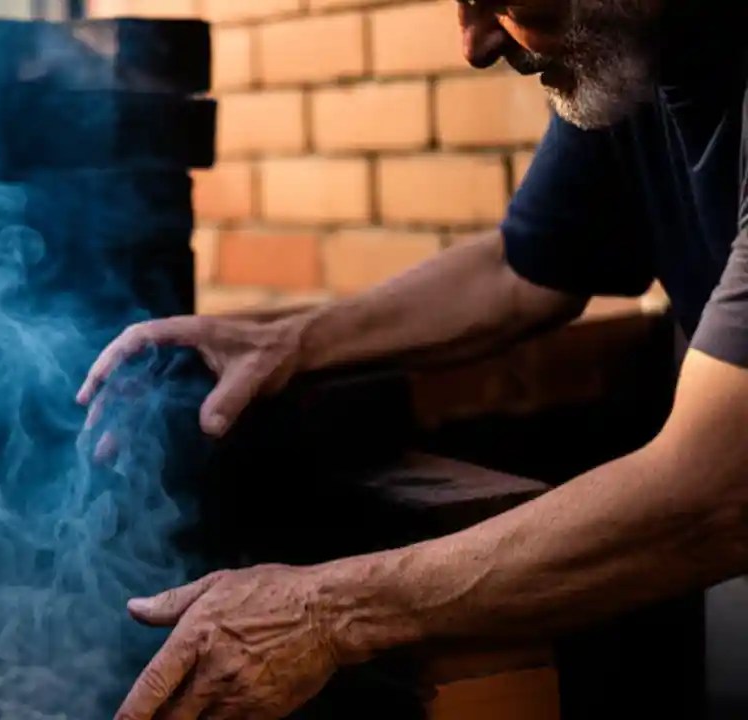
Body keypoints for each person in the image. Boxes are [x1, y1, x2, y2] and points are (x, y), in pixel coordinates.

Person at [75, 1, 748, 718]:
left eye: (502, 2)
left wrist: (328, 613)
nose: (474, 46)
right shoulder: (632, 53)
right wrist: (287, 343)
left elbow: (717, 485)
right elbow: (523, 268)